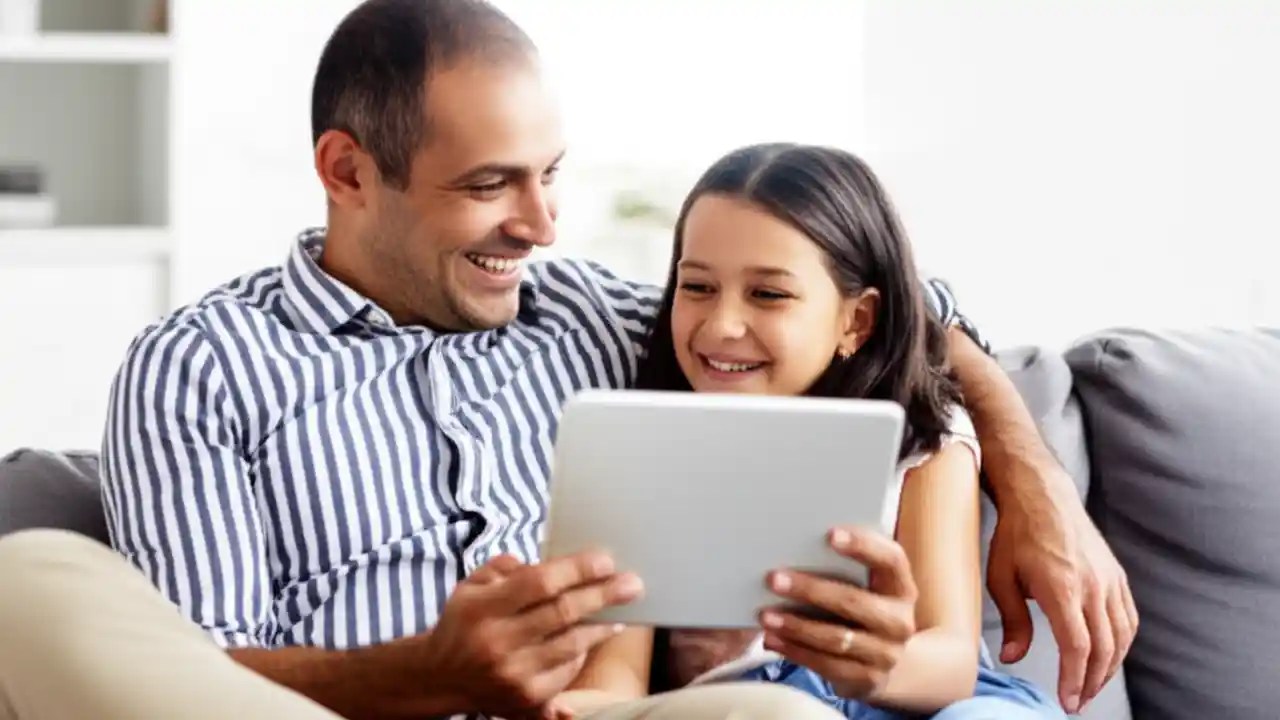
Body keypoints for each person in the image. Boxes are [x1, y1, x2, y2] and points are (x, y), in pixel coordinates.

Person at [0, 1, 1135, 718]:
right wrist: (421, 675)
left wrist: (1034, 485)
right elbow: (186, 673)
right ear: (347, 172)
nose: (541, 226)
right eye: (490, 185)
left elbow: (894, 311)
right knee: (28, 581)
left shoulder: (590, 312)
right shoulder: (201, 367)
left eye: (552, 175)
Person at [544, 142, 1068, 720]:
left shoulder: (923, 440)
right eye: (696, 287)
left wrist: (871, 665)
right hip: (746, 704)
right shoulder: (645, 449)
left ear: (856, 320)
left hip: (917, 698)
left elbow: (950, 662)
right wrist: (583, 706)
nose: (721, 325)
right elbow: (616, 673)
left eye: (768, 294)